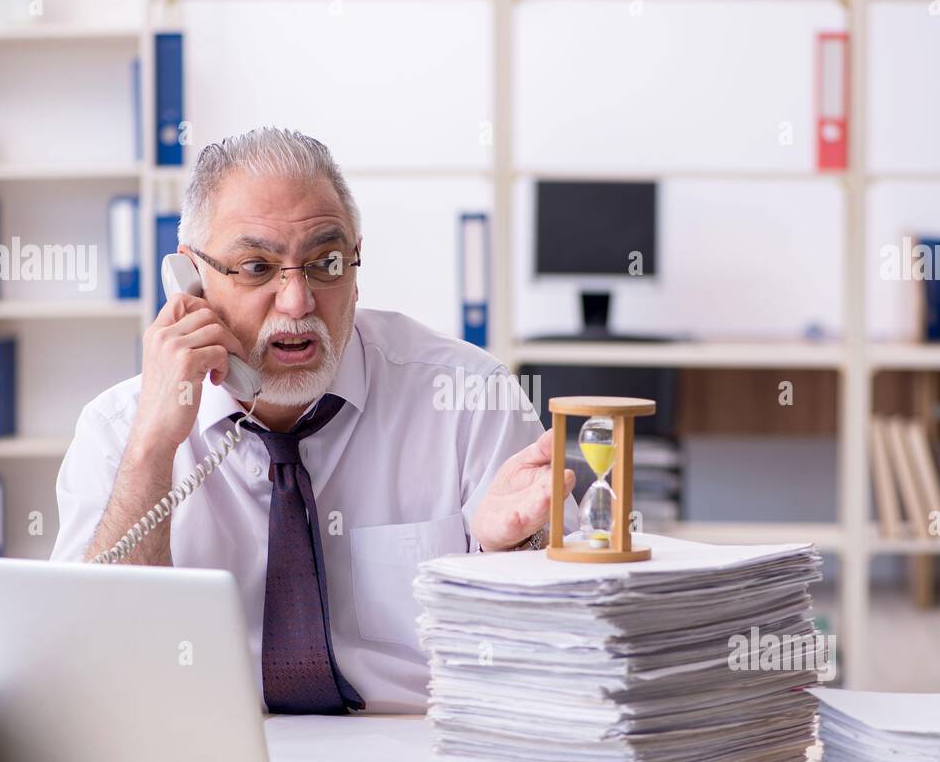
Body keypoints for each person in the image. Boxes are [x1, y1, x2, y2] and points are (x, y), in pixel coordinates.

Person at [51, 126, 574, 714]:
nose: (298, 302)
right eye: (255, 266)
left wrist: (522, 550)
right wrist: (153, 447)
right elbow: (90, 668)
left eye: (326, 262)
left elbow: (569, 648)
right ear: (191, 280)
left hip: (420, 759)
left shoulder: (468, 397)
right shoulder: (119, 428)